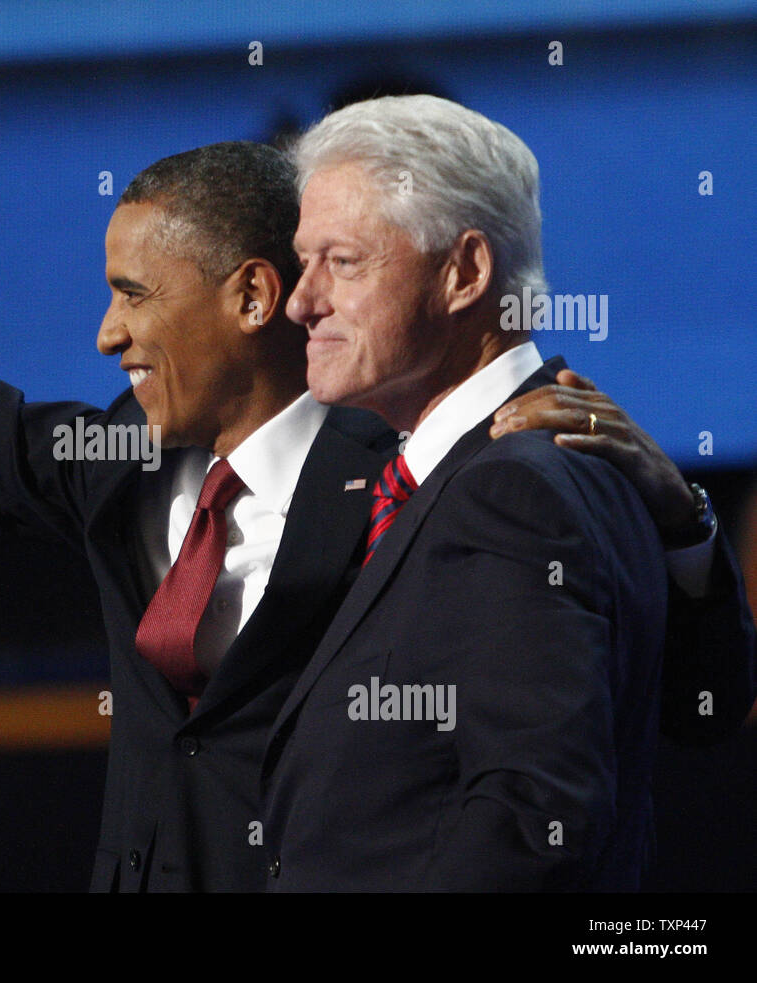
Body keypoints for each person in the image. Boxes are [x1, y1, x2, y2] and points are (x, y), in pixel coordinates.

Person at [0, 55, 753, 891]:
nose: (105, 335)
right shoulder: (119, 469)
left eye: (134, 295)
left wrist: (680, 523)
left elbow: (581, 773)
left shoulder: (428, 477)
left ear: (248, 297)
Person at [261, 93, 756, 891]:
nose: (300, 301)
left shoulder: (511, 489)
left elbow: (536, 818)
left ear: (464, 272)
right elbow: (703, 703)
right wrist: (686, 527)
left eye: (342, 263)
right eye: (302, 261)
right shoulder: (574, 461)